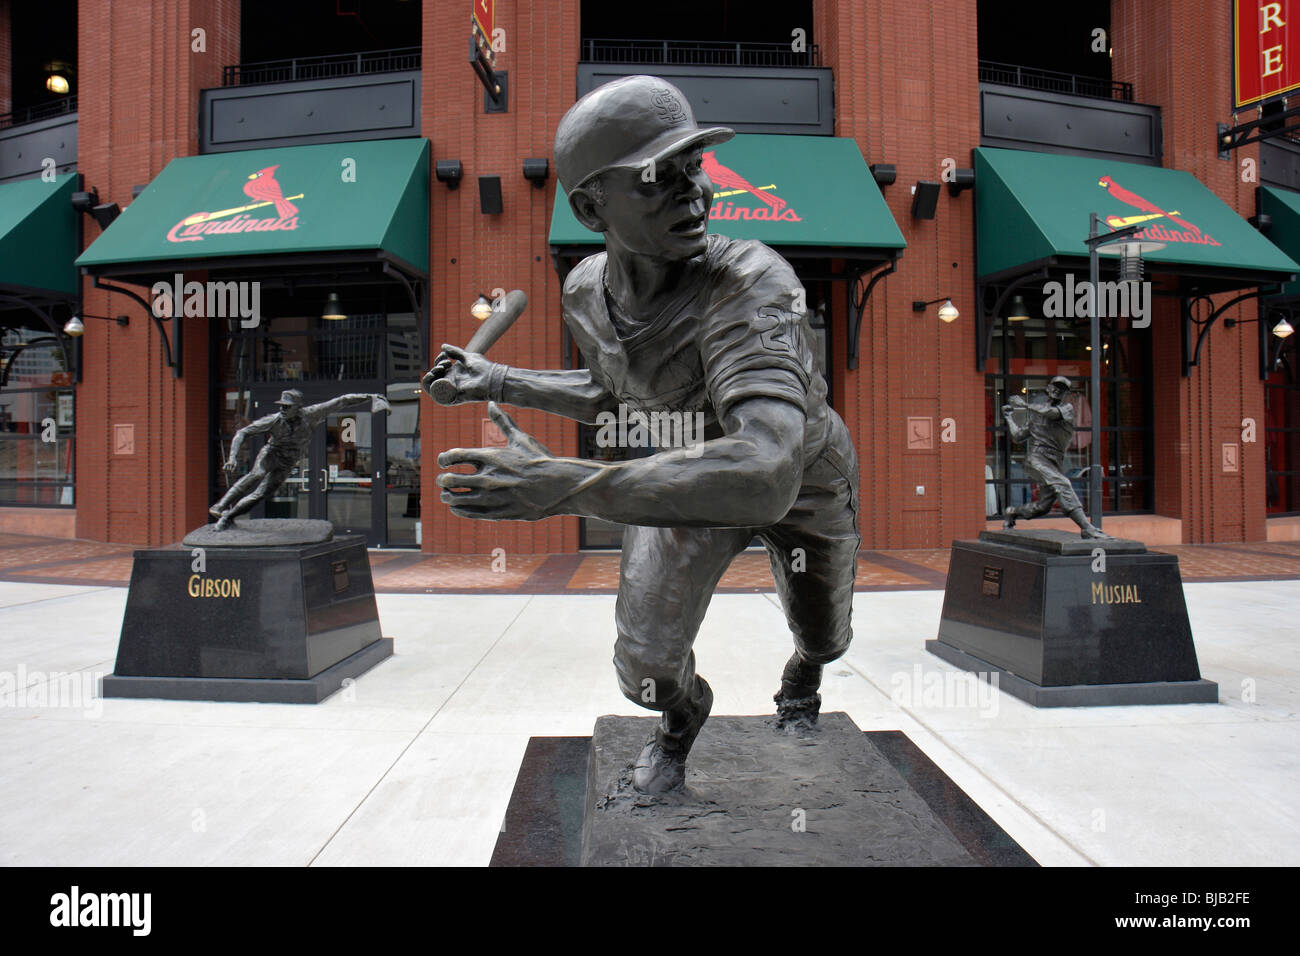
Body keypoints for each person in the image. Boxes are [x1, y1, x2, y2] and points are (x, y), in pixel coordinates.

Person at [424, 75, 861, 794]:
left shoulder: (751, 279)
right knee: (647, 666)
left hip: (801, 477)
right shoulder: (583, 289)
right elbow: (619, 395)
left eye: (695, 170)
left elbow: (767, 467)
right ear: (591, 205)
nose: (693, 194)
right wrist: (494, 378)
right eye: (659, 180)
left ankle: (805, 675)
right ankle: (681, 722)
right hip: (685, 473)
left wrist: (566, 485)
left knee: (824, 634)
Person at [211, 388, 391, 531]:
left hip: (289, 461)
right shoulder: (274, 420)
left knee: (261, 494)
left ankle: (228, 517)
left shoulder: (311, 414)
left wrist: (371, 396)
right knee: (256, 474)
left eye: (287, 406)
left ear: (298, 407)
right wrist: (232, 457)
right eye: (281, 405)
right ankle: (221, 505)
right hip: (272, 453)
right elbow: (242, 432)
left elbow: (341, 401)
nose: (282, 409)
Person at [1001, 375, 1109, 539]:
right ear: (1048, 389)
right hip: (1036, 458)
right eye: (1055, 386)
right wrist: (1009, 417)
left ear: (1065, 393)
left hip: (1055, 461)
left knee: (1042, 507)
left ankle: (1012, 512)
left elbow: (1051, 413)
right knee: (1063, 483)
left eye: (1063, 389)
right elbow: (1018, 436)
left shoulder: (1067, 409)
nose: (1058, 390)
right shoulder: (1035, 415)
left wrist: (1025, 405)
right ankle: (1086, 528)